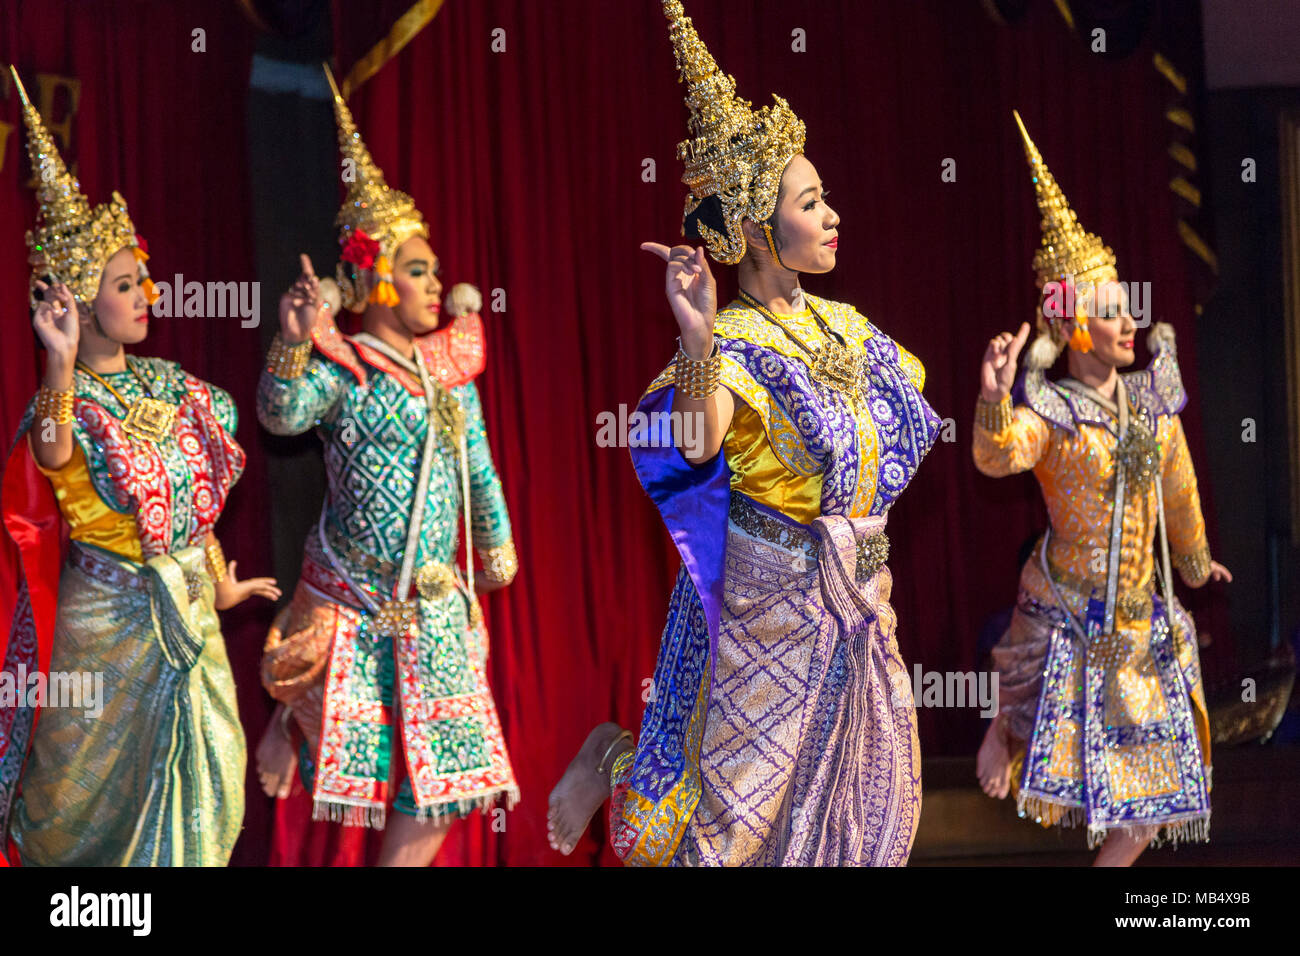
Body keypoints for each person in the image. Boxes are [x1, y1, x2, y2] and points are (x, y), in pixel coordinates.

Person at [547, 0, 941, 866]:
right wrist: (694, 340)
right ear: (759, 229)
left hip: (859, 604)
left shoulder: (857, 332)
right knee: (725, 834)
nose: (833, 213)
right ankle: (616, 754)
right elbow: (694, 445)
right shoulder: (731, 348)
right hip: (766, 605)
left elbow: (894, 449)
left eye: (826, 196)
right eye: (812, 201)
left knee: (856, 816)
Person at [0, 68, 277, 866]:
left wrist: (218, 582)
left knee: (205, 797)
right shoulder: (71, 399)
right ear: (82, 305)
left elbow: (198, 509)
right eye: (127, 284)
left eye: (142, 277)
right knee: (88, 816)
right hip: (105, 632)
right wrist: (56, 365)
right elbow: (50, 460)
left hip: (190, 619)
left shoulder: (175, 385)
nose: (148, 292)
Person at [253, 67, 519, 867]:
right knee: (346, 763)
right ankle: (278, 728)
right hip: (356, 599)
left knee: (449, 781)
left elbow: (478, 466)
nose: (437, 283)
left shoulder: (450, 371)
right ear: (373, 279)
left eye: (437, 271)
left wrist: (494, 541)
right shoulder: (344, 370)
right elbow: (280, 415)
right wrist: (296, 338)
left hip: (433, 599)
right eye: (417, 271)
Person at [972, 111, 1230, 866]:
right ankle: (1002, 728)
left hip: (1138, 622)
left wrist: (1194, 560)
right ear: (1075, 328)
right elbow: (998, 458)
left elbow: (1177, 489)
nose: (1130, 321)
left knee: (1150, 805)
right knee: (1087, 769)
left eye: (1128, 305)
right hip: (1066, 614)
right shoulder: (1051, 412)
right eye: (1111, 310)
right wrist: (992, 399)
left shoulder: (1152, 402)